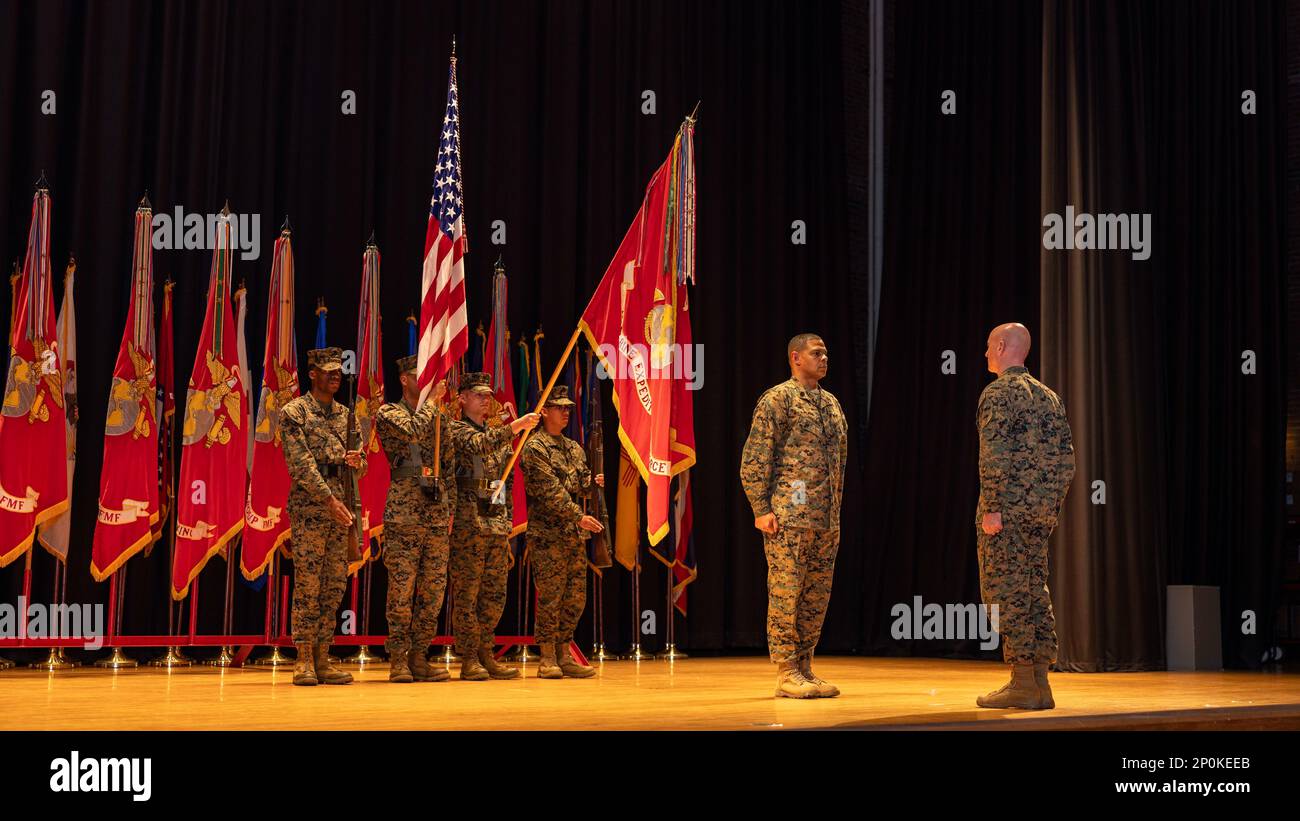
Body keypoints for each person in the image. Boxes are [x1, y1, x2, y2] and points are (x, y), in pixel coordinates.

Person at [740, 333, 848, 698]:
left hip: (825, 520)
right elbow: (755, 459)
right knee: (786, 594)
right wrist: (761, 509)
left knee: (815, 596)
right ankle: (786, 671)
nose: (824, 358)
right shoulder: (778, 400)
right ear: (795, 358)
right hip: (788, 517)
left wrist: (834, 512)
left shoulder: (831, 404)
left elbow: (840, 464)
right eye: (817, 353)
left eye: (826, 353)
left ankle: (805, 666)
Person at [974, 322, 1075, 709]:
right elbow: (1067, 461)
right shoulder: (1049, 397)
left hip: (1007, 514)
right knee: (1034, 590)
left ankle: (1022, 681)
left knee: (1006, 593)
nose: (986, 354)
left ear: (1001, 346)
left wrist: (994, 507)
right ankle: (1039, 683)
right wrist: (1049, 508)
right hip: (1037, 516)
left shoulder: (998, 393)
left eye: (988, 346)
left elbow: (994, 456)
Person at [279, 347, 366, 686]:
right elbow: (300, 465)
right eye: (328, 371)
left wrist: (359, 462)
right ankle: (302, 658)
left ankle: (323, 656)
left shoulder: (347, 416)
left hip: (342, 510)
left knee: (333, 586)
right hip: (311, 509)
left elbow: (362, 462)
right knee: (309, 585)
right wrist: (329, 500)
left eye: (338, 371)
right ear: (312, 373)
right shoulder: (295, 412)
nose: (335, 376)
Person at [448, 372, 540, 680]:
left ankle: (487, 652)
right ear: (461, 399)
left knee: (494, 594)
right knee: (467, 594)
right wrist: (515, 426)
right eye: (478, 394)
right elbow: (478, 445)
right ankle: (469, 656)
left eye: (488, 394)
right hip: (468, 526)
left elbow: (505, 482)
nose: (486, 399)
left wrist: (507, 524)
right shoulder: (456, 429)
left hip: (495, 526)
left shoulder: (497, 434)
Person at [375, 355, 455, 683]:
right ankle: (397, 658)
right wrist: (434, 401)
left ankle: (420, 654)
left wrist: (448, 508)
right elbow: (411, 430)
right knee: (402, 589)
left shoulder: (440, 418)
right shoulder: (389, 412)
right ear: (404, 380)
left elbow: (448, 464)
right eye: (416, 376)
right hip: (405, 512)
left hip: (436, 513)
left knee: (434, 589)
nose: (424, 382)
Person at [520, 385, 605, 679]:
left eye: (568, 407)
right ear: (544, 412)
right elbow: (550, 493)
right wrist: (580, 516)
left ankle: (564, 651)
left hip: (572, 536)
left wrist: (594, 482)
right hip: (547, 535)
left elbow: (580, 484)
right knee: (551, 597)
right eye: (559, 407)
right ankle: (546, 656)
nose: (566, 412)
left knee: (575, 597)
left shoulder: (574, 448)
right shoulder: (535, 447)